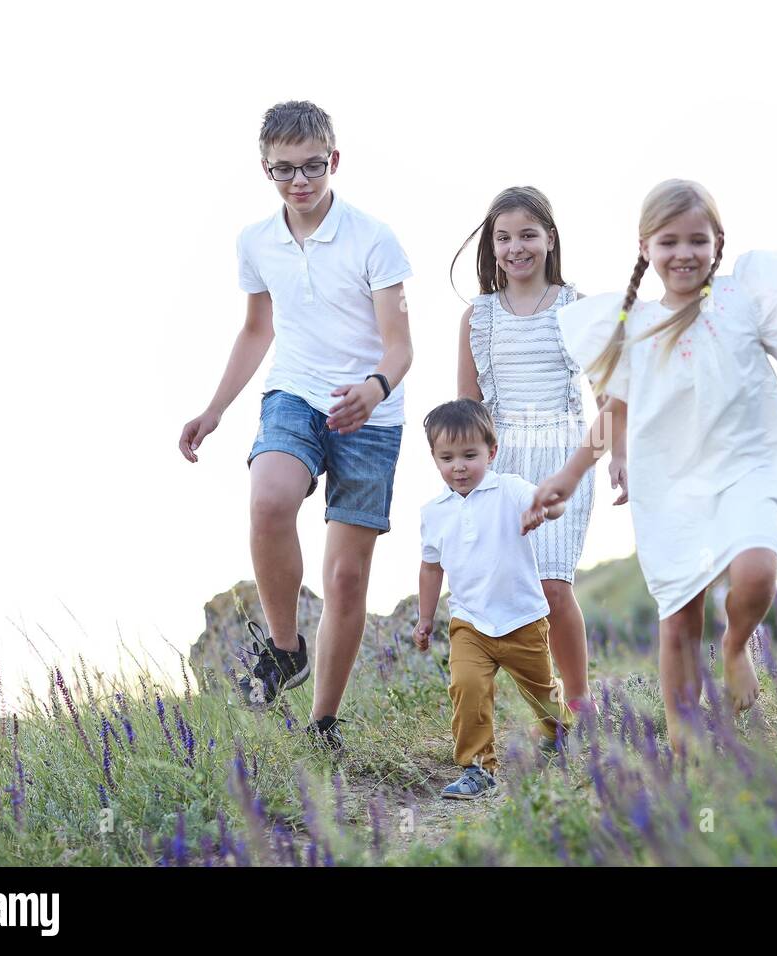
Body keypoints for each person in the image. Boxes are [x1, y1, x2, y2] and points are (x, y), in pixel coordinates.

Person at [531, 179, 777, 752]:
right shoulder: (633, 327)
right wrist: (571, 474)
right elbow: (614, 412)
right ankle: (685, 747)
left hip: (746, 467)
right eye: (669, 242)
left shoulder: (743, 299)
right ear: (645, 247)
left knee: (757, 570)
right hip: (670, 484)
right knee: (680, 616)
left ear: (718, 242)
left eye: (697, 240)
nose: (684, 253)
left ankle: (736, 645)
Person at [177, 101, 414, 749]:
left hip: (371, 410)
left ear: (334, 160)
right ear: (266, 169)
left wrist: (374, 389)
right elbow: (257, 330)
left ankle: (323, 722)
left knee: (345, 578)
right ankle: (285, 648)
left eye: (312, 166)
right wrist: (215, 409)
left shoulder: (375, 239)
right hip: (294, 394)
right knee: (270, 499)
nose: (299, 180)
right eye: (284, 169)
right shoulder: (255, 242)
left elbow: (400, 346)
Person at [453, 186, 625, 714]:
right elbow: (467, 408)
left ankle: (579, 701)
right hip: (500, 460)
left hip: (563, 454)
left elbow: (609, 396)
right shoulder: (478, 318)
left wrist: (619, 455)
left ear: (550, 238)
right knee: (512, 590)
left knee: (552, 584)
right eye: (503, 238)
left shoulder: (576, 308)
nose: (515, 248)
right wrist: (462, 471)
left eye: (527, 235)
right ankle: (544, 709)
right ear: (492, 245)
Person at [415, 400, 573, 799]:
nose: (459, 467)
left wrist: (547, 508)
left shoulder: (510, 489)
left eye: (470, 455)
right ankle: (477, 768)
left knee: (542, 692)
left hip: (522, 619)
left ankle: (560, 728)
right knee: (466, 686)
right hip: (469, 623)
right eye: (447, 458)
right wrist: (425, 618)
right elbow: (431, 568)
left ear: (492, 452)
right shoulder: (433, 512)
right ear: (434, 459)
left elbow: (554, 504)